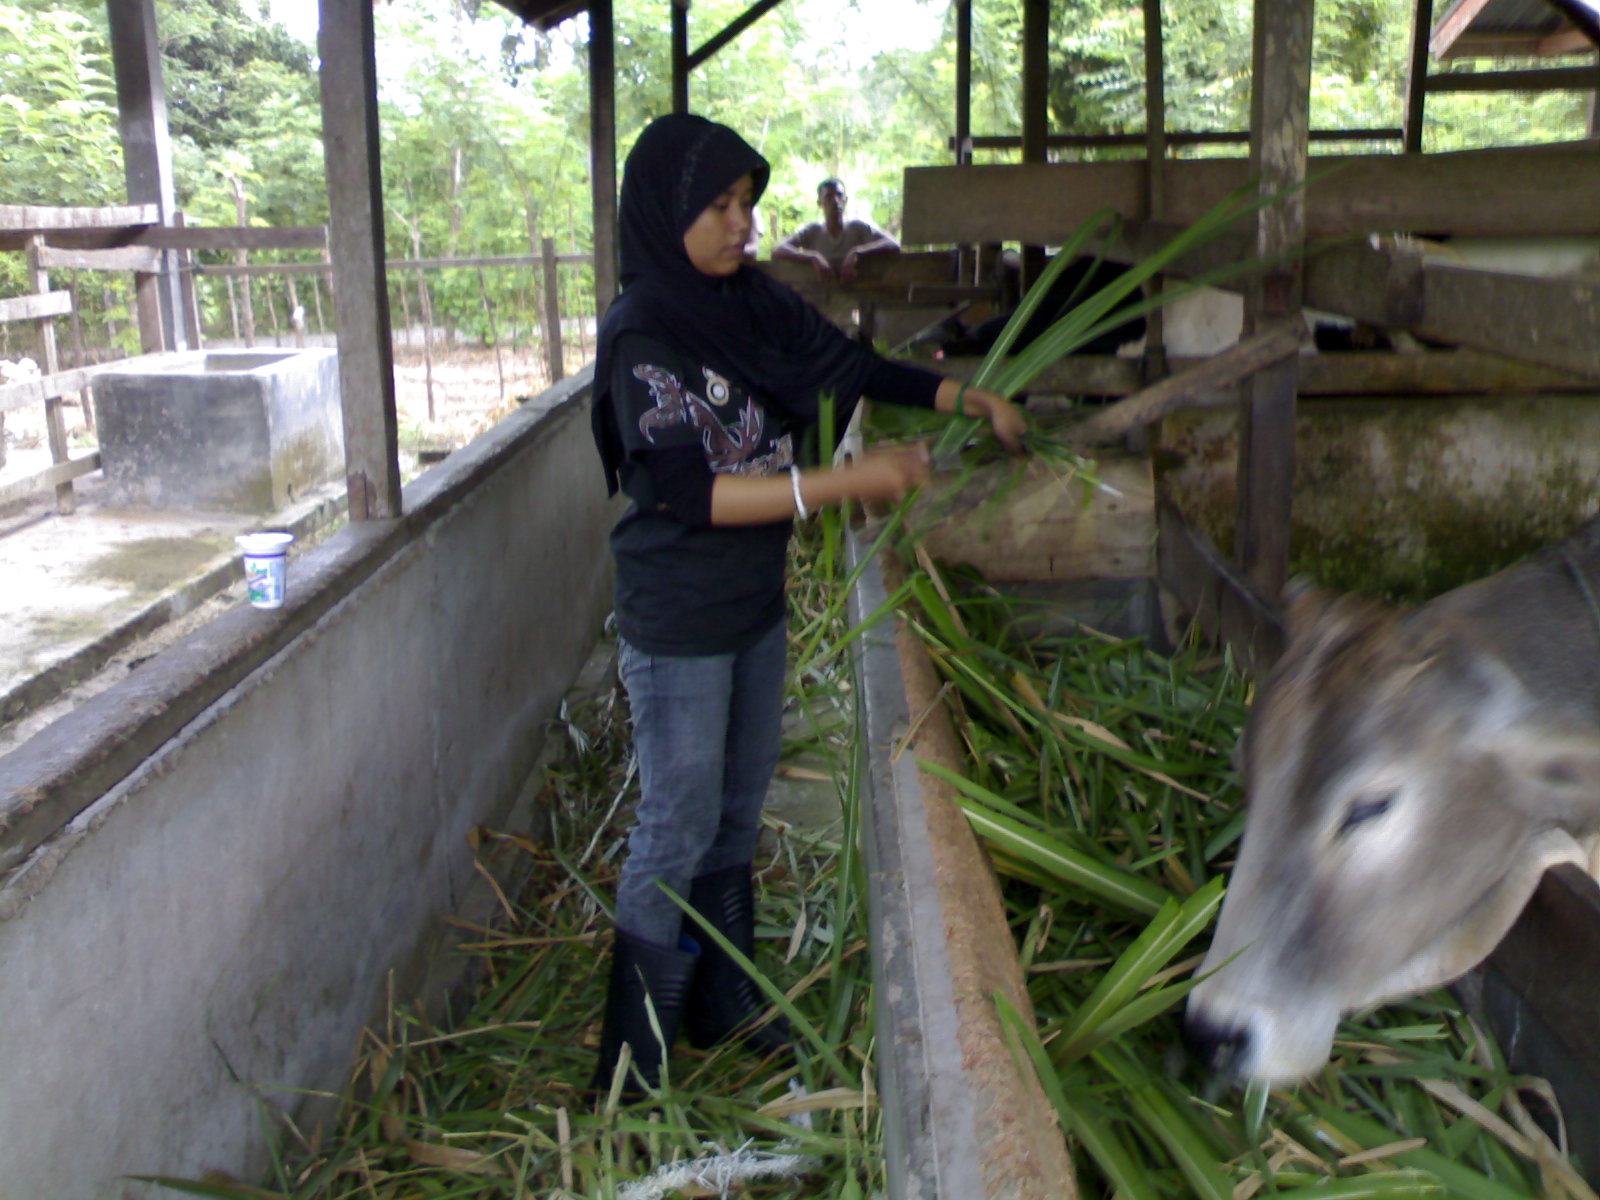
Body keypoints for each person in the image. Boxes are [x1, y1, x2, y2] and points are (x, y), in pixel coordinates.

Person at [589, 113, 1027, 1099]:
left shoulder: (751, 302)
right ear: (666, 211)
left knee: (736, 809)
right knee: (676, 821)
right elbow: (691, 493)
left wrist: (967, 398)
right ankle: (631, 1071)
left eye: (747, 203)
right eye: (719, 206)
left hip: (752, 603)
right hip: (679, 617)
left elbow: (854, 367)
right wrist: (845, 481)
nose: (743, 224)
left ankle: (724, 1001)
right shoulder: (644, 331)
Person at [773, 177, 900, 285]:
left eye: (839, 195)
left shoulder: (857, 228)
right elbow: (778, 249)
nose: (835, 201)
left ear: (845, 200)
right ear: (819, 203)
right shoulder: (813, 232)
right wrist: (813, 257)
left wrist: (857, 252)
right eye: (829, 197)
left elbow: (893, 244)